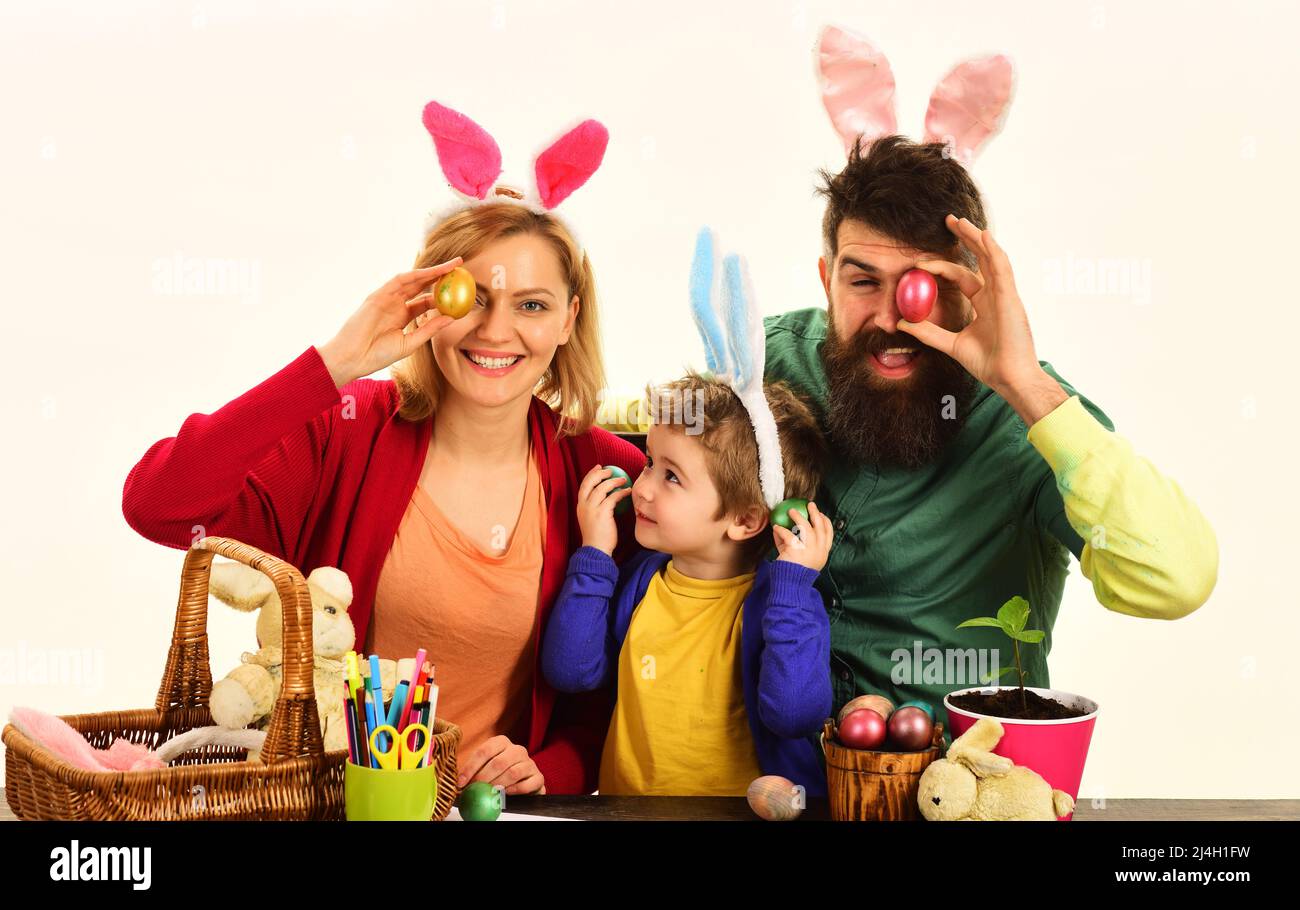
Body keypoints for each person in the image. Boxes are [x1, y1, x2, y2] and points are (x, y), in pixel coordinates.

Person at [121, 101, 645, 795]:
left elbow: (608, 700)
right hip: (339, 806)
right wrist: (333, 364)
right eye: (472, 298)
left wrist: (548, 770)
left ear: (569, 319)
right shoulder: (349, 428)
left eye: (532, 305)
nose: (496, 332)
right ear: (430, 299)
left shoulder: (607, 475)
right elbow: (158, 504)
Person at [761, 133, 1219, 745]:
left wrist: (1026, 385)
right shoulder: (771, 360)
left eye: (923, 286)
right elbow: (657, 448)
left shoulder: (1030, 421)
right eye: (863, 282)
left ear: (973, 284)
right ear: (826, 281)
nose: (893, 320)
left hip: (961, 788)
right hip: (773, 782)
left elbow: (1176, 578)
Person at [542, 372, 835, 796]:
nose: (641, 488)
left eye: (672, 476)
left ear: (745, 520)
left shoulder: (783, 604)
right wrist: (595, 554)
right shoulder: (640, 581)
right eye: (648, 463)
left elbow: (793, 714)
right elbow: (570, 672)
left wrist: (793, 586)